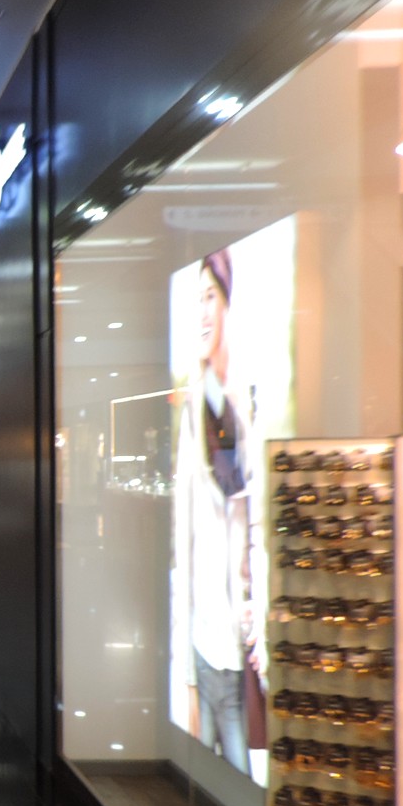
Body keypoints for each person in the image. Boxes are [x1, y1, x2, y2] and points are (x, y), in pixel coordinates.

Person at [170, 248, 262, 776]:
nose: (203, 312)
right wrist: (185, 675)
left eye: (211, 296)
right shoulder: (192, 415)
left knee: (236, 777)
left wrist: (257, 614)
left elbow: (258, 532)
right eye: (197, 299)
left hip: (239, 649)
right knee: (212, 781)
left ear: (227, 302)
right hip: (204, 648)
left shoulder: (242, 413)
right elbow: (183, 550)